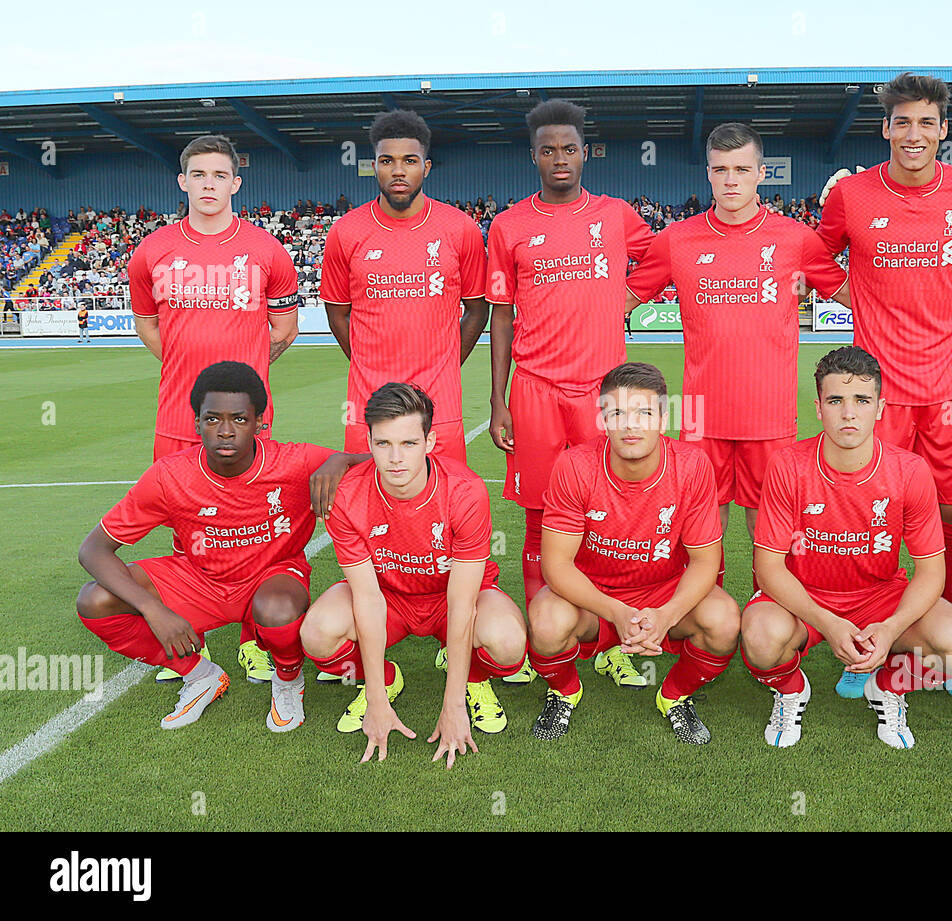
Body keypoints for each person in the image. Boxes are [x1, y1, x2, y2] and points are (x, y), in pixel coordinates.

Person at [817, 72, 952, 700]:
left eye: (926, 122)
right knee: (875, 518)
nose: (914, 134)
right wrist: (859, 297)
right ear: (886, 128)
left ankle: (944, 632)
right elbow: (818, 261)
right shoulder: (850, 194)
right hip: (877, 393)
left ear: (943, 130)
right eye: (902, 122)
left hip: (950, 385)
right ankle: (867, 643)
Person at [75, 362, 362, 731]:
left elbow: (385, 465)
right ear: (196, 423)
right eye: (212, 419)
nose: (225, 432)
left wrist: (342, 459)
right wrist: (153, 610)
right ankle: (199, 674)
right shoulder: (170, 475)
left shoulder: (297, 461)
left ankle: (288, 680)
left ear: (260, 422)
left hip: (271, 577)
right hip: (199, 580)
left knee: (277, 608)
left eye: (239, 420)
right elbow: (93, 549)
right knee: (94, 601)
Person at [626, 122, 848, 586]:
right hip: (701, 413)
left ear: (760, 173)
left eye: (742, 169)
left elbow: (856, 294)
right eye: (721, 169)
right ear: (708, 173)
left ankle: (771, 610)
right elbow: (620, 300)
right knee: (703, 523)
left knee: (769, 524)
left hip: (769, 412)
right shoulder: (677, 240)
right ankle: (710, 610)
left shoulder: (795, 239)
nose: (731, 180)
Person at [486, 99, 654, 687]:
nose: (560, 158)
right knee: (539, 517)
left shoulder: (615, 215)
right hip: (534, 390)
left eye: (570, 148)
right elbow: (501, 317)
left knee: (606, 514)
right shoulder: (508, 225)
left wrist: (626, 300)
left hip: (601, 393)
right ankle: (544, 636)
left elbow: (658, 259)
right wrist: (498, 398)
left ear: (586, 152)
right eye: (548, 149)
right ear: (534, 156)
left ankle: (610, 639)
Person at [127, 134, 300, 684]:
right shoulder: (152, 250)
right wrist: (190, 367)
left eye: (219, 175)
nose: (208, 184)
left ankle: (254, 638)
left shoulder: (266, 249)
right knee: (186, 532)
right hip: (178, 417)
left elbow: (285, 328)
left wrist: (241, 373)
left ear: (235, 183)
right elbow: (149, 326)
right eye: (198, 175)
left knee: (257, 531)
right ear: (182, 182)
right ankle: (188, 635)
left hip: (249, 422)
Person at [742, 347, 952, 749]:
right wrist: (828, 623)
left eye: (862, 400)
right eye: (836, 400)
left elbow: (931, 571)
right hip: (806, 596)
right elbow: (769, 567)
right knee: (761, 639)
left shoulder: (909, 470)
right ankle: (792, 690)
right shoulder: (788, 464)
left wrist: (890, 629)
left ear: (880, 407)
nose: (849, 413)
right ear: (818, 408)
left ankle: (886, 686)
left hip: (879, 597)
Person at [300, 383, 527, 766]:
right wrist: (376, 697)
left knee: (508, 644)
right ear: (368, 441)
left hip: (449, 597)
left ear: (430, 441)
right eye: (383, 444)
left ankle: (472, 680)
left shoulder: (465, 492)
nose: (395, 458)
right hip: (389, 598)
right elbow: (368, 600)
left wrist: (452, 705)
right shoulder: (348, 495)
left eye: (408, 443)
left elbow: (462, 603)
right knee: (317, 634)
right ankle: (387, 678)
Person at [527, 362, 740, 744]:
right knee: (545, 621)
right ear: (602, 419)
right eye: (618, 413)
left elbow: (705, 561)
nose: (631, 425)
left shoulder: (691, 466)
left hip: (662, 593)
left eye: (644, 413)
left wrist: (665, 616)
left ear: (663, 418)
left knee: (723, 621)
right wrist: (617, 613)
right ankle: (564, 690)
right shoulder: (575, 465)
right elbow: (556, 564)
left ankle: (675, 695)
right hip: (593, 597)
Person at [321, 110, 489, 459]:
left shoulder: (461, 230)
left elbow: (477, 310)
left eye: (410, 161)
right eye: (388, 161)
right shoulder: (345, 232)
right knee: (370, 501)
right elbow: (337, 313)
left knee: (443, 500)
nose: (399, 171)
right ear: (375, 166)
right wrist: (365, 361)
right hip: (369, 399)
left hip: (439, 401)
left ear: (426, 167)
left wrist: (446, 365)